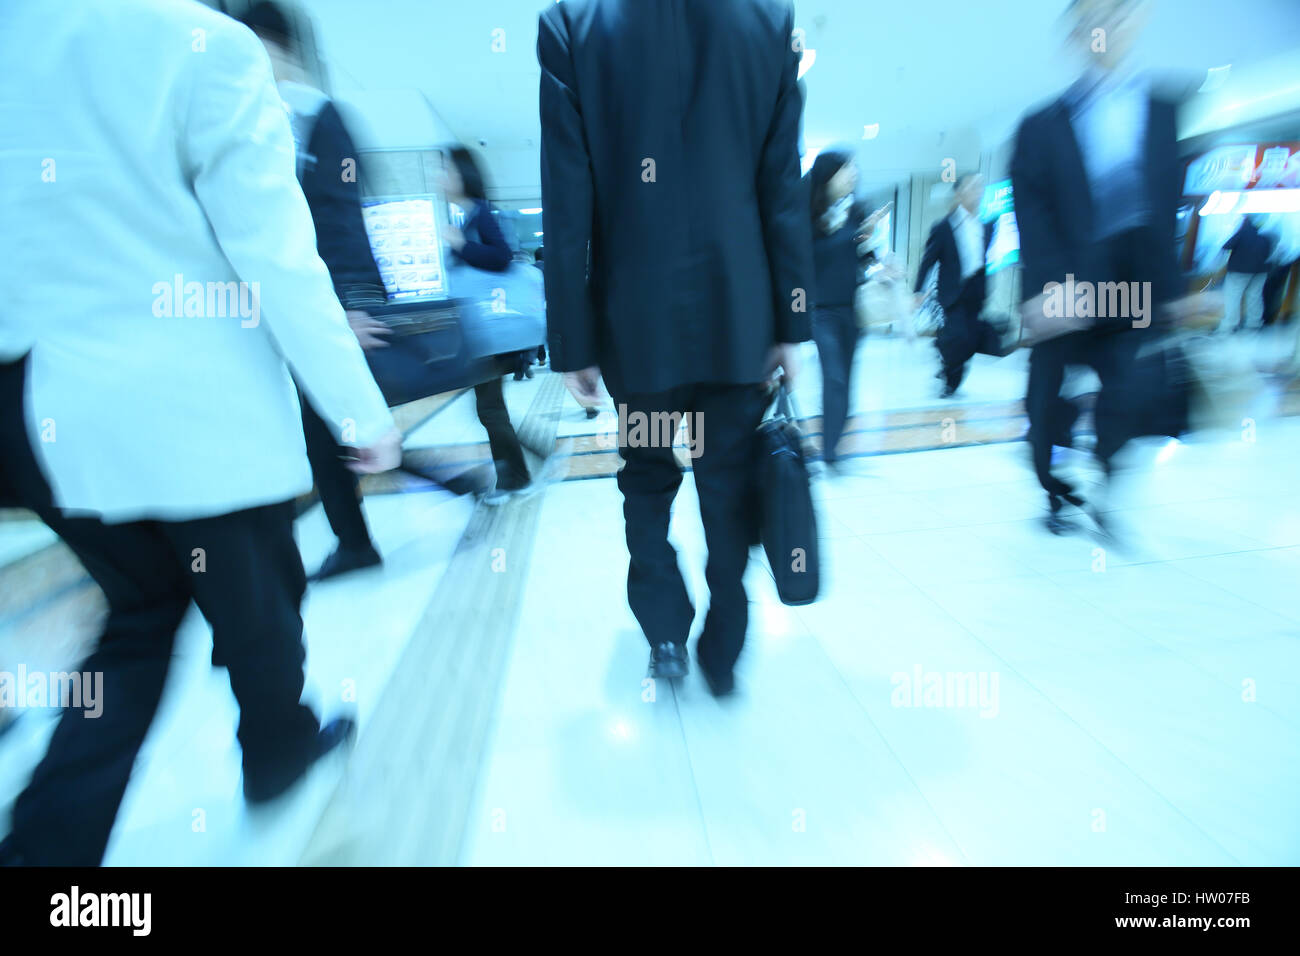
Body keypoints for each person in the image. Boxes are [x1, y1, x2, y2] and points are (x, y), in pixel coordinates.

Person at [0, 0, 401, 865]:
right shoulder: (204, 45)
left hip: (35, 402)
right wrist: (358, 411)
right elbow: (273, 250)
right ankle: (277, 746)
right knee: (257, 597)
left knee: (142, 613)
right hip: (186, 401)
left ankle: (44, 846)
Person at [539, 0, 813, 694]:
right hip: (739, 321)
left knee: (648, 479)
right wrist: (792, 322)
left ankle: (665, 633)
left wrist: (572, 337)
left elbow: (568, 200)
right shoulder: (769, 21)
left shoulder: (572, 24)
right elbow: (783, 189)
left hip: (637, 329)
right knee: (727, 485)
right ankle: (724, 645)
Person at [1012, 0, 1190, 535]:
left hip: (1133, 290)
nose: (1105, 25)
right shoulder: (1041, 126)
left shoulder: (1163, 111)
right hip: (1065, 290)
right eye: (1091, 16)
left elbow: (1166, 210)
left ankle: (1108, 480)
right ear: (1073, 34)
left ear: (1137, 21)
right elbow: (1032, 210)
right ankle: (1054, 488)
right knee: (1046, 404)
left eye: (1117, 12)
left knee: (1130, 391)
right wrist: (1046, 291)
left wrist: (1174, 291)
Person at [239, 1, 392, 583]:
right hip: (289, 310)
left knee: (333, 428)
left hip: (322, 305)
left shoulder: (319, 118)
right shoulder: (267, 116)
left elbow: (342, 218)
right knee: (327, 431)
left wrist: (354, 303)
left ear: (277, 46)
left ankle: (357, 540)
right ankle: (356, 539)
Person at [436, 146, 536, 505]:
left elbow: (502, 257)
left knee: (489, 409)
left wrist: (461, 246)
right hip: (481, 332)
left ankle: (515, 479)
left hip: (490, 332)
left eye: (446, 169)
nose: (440, 177)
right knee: (489, 408)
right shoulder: (469, 217)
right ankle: (529, 458)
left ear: (464, 175)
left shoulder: (481, 215)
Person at [807, 151, 887, 467]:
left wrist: (880, 264)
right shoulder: (810, 212)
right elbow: (811, 256)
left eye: (854, 168)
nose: (853, 174)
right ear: (828, 176)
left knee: (847, 385)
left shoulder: (858, 211)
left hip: (853, 311)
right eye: (845, 169)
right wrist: (850, 237)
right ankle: (828, 450)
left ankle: (833, 442)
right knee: (835, 379)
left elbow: (864, 258)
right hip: (821, 311)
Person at [913, 173, 999, 398]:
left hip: (976, 291)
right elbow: (928, 260)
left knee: (969, 338)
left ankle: (951, 372)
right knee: (957, 335)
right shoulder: (943, 227)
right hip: (952, 291)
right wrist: (918, 291)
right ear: (959, 193)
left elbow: (984, 259)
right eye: (971, 187)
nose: (977, 192)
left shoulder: (986, 226)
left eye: (980, 187)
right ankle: (948, 374)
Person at [1218, 215, 1275, 334]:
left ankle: (1230, 324)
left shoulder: (1244, 232)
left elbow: (1226, 246)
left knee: (1233, 297)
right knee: (1255, 296)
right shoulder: (1268, 235)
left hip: (1240, 271)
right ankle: (1254, 323)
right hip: (1261, 271)